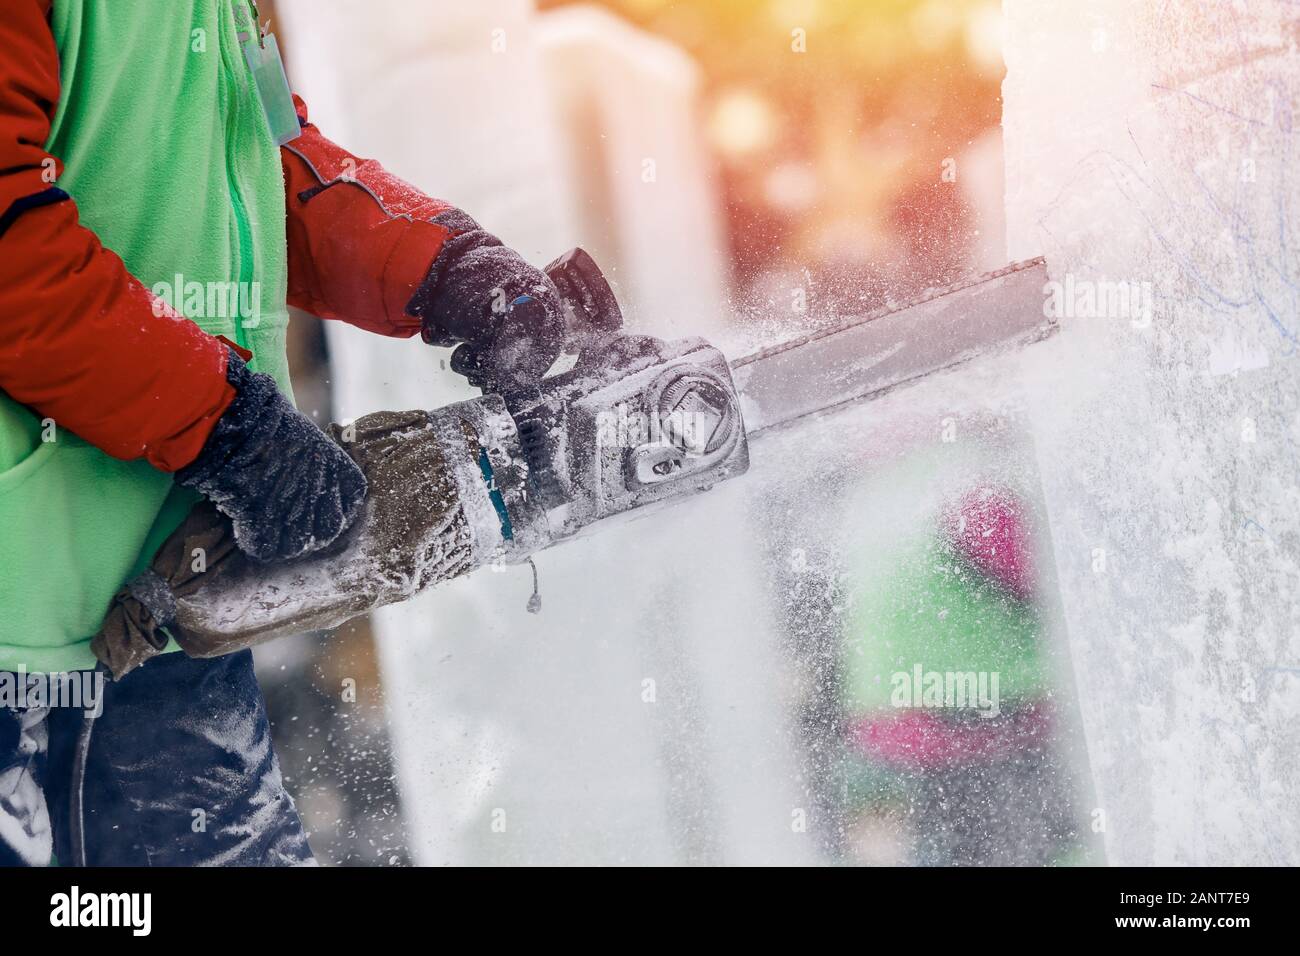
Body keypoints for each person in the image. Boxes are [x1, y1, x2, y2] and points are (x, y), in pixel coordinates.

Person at [0, 0, 565, 866]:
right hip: (31, 626)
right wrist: (229, 428)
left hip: (163, 583)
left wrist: (437, 264)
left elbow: (255, 161)